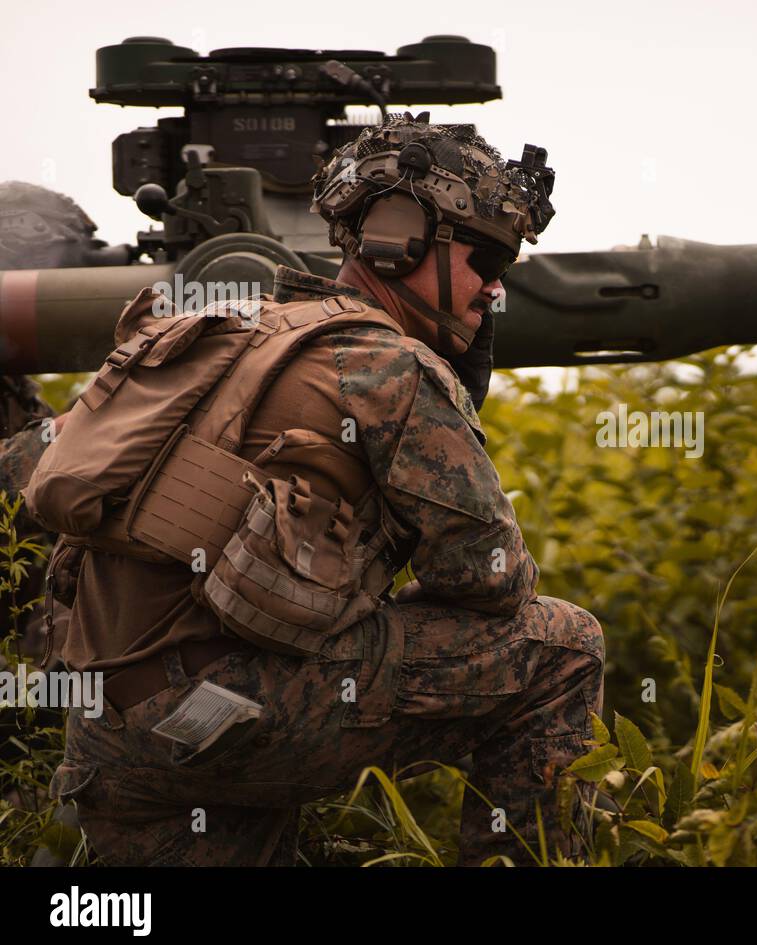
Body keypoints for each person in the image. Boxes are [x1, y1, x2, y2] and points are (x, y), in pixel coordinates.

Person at [20, 114, 604, 866]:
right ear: (399, 238)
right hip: (239, 720)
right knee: (562, 648)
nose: (494, 287)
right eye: (487, 256)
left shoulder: (227, 328)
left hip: (112, 725)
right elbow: (489, 577)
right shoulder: (386, 365)